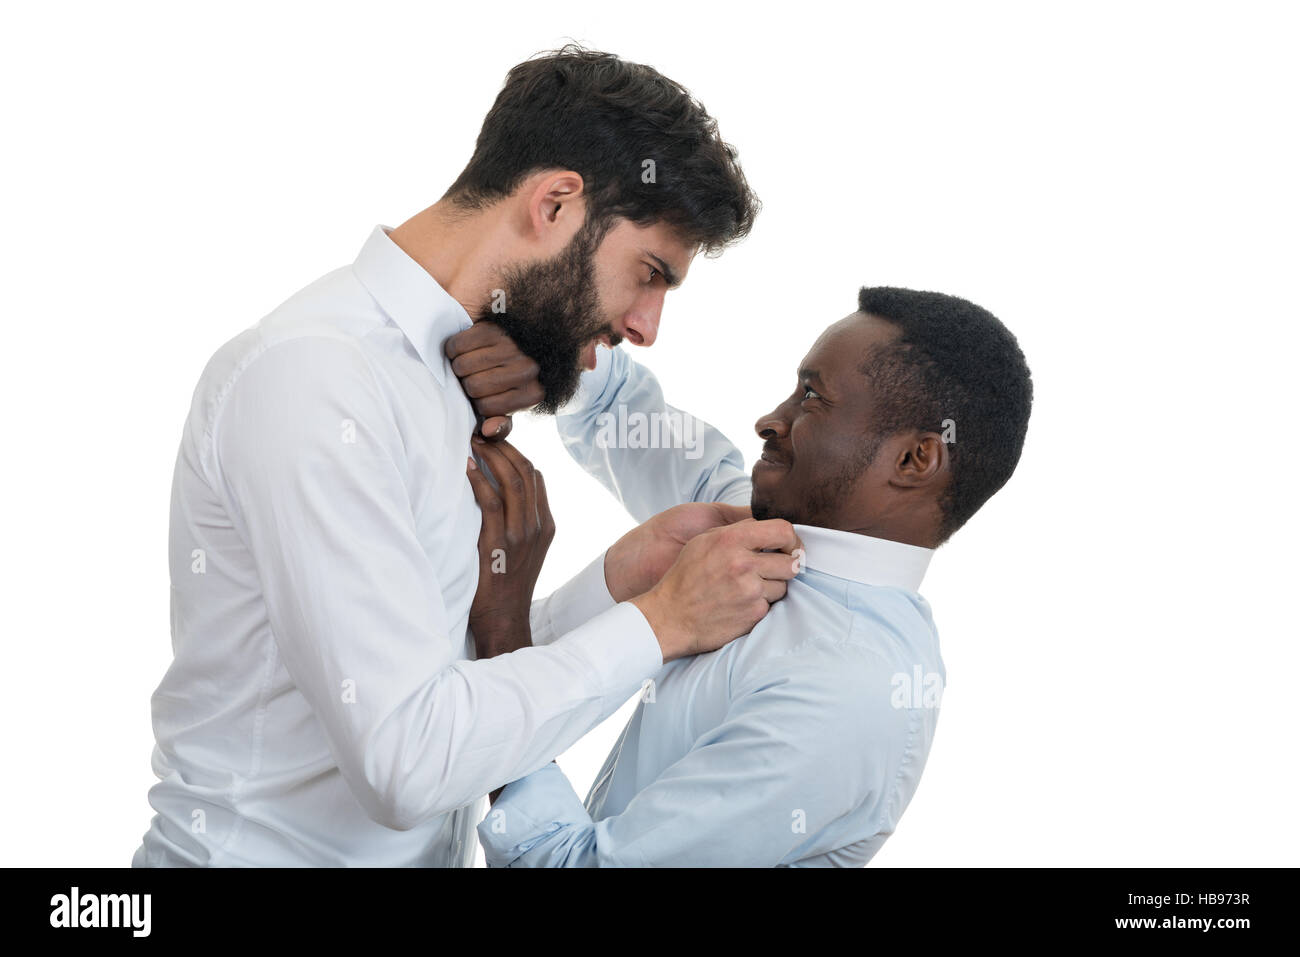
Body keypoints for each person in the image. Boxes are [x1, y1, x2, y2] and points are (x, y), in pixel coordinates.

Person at [131, 45, 796, 868]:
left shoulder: (457, 366)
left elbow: (440, 681)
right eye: (648, 274)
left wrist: (625, 581)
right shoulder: (316, 378)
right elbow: (409, 757)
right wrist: (662, 624)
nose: (645, 327)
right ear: (555, 203)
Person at [467, 286, 1034, 866]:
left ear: (916, 461)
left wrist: (501, 631)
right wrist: (549, 345)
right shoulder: (759, 527)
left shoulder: (844, 693)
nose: (769, 420)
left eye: (812, 398)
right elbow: (621, 414)